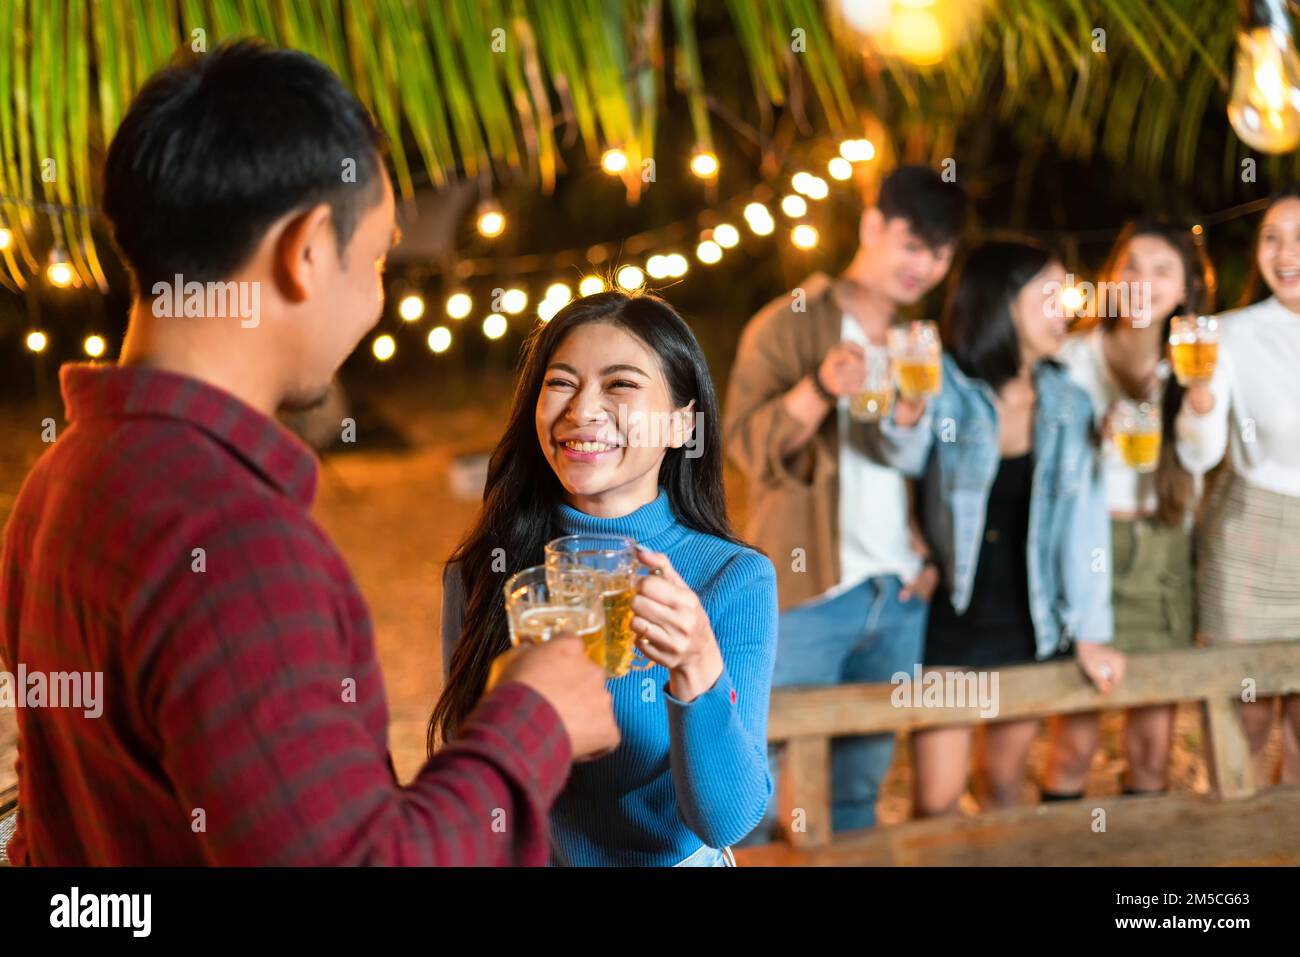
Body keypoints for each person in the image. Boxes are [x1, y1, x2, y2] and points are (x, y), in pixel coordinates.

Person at [0, 41, 618, 866]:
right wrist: (530, 717)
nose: (376, 296)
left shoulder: (61, 479)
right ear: (304, 251)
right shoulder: (233, 545)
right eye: (375, 258)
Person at [432, 291, 778, 867]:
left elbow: (726, 821)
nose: (582, 410)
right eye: (561, 383)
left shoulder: (731, 580)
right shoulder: (484, 574)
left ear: (680, 423)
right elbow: (480, 796)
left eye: (620, 384)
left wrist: (696, 665)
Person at [724, 164, 966, 837]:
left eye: (941, 253)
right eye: (914, 244)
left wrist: (929, 551)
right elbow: (745, 446)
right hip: (807, 588)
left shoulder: (916, 343)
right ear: (871, 225)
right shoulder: (786, 324)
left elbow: (930, 469)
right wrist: (819, 387)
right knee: (755, 788)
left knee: (861, 787)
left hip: (897, 592)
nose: (926, 265)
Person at [871, 241, 1125, 816]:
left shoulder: (1069, 402)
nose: (1068, 307)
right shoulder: (944, 384)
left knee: (1003, 791)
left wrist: (1089, 631)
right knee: (935, 804)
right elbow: (897, 457)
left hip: (1029, 625)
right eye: (1051, 295)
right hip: (950, 622)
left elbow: (1085, 528)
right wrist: (908, 406)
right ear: (1002, 302)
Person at [1052, 221, 1214, 798]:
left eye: (1162, 270)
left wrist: (1198, 393)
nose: (1143, 282)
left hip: (1162, 553)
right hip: (1084, 556)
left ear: (1188, 286)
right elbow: (1044, 467)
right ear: (1111, 278)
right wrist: (1086, 443)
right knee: (1072, 746)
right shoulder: (1072, 356)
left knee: (1151, 752)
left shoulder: (1195, 359)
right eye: (1131, 267)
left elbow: (1204, 453)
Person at [1175, 185, 1300, 786]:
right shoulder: (1228, 333)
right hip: (1249, 538)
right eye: (1272, 237)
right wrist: (1199, 402)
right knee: (1241, 727)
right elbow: (1200, 455)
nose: (1285, 253)